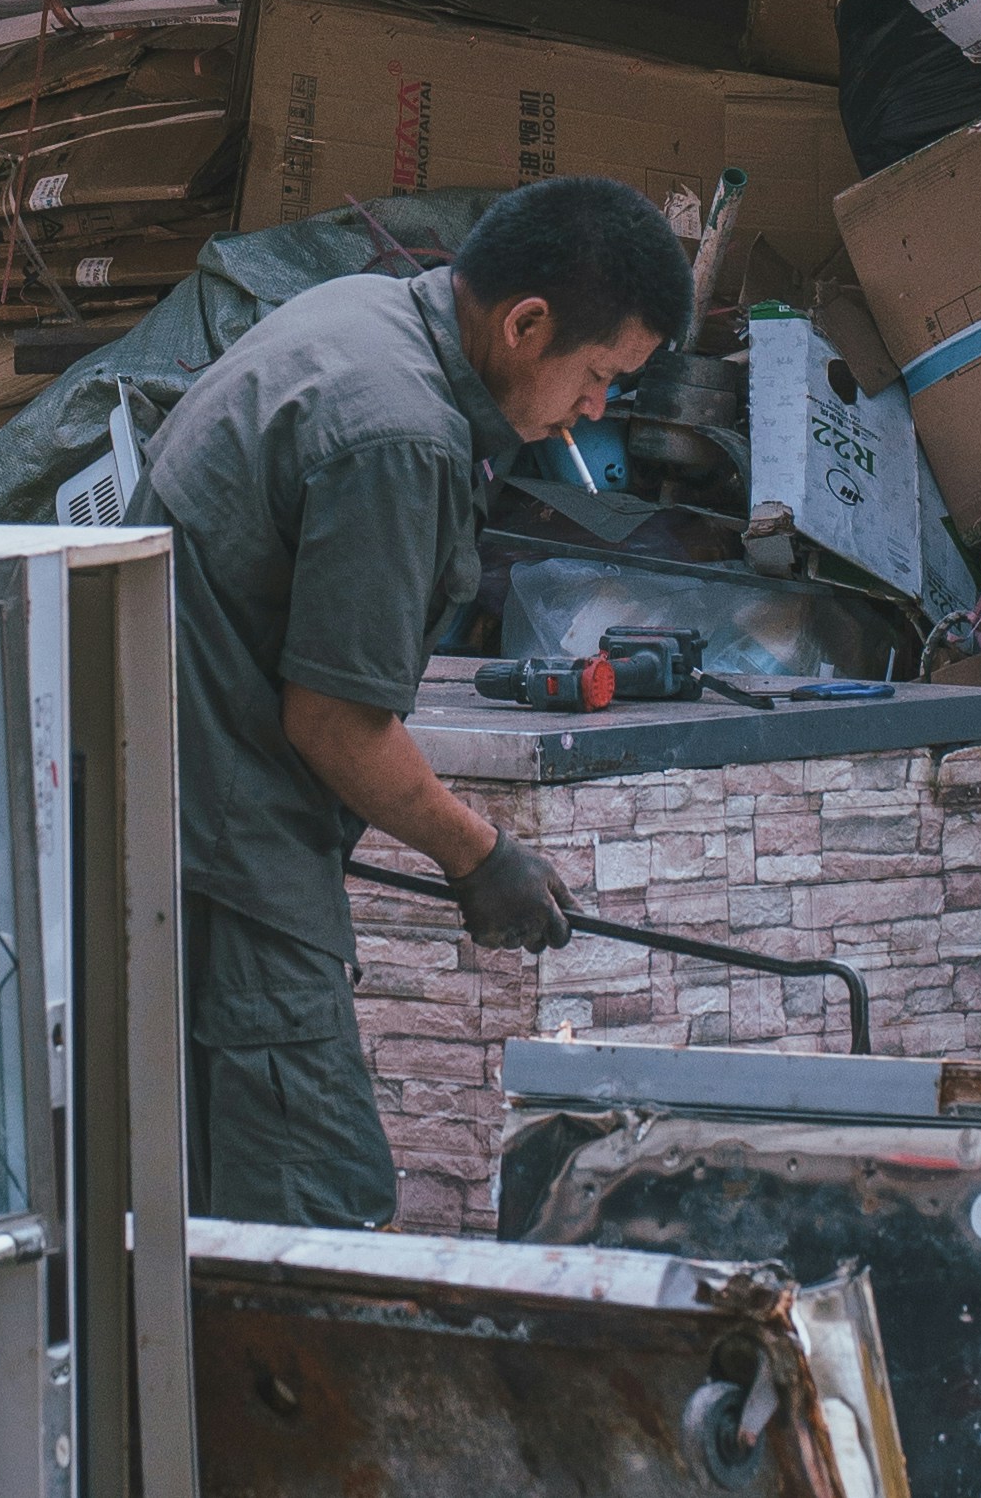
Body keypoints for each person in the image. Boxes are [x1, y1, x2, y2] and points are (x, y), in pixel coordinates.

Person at [127, 176, 693, 1227]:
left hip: (180, 815)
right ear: (526, 325)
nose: (595, 410)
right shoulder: (400, 435)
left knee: (192, 1206)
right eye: (598, 374)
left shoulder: (368, 313)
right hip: (219, 850)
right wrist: (481, 855)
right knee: (306, 1213)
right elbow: (333, 722)